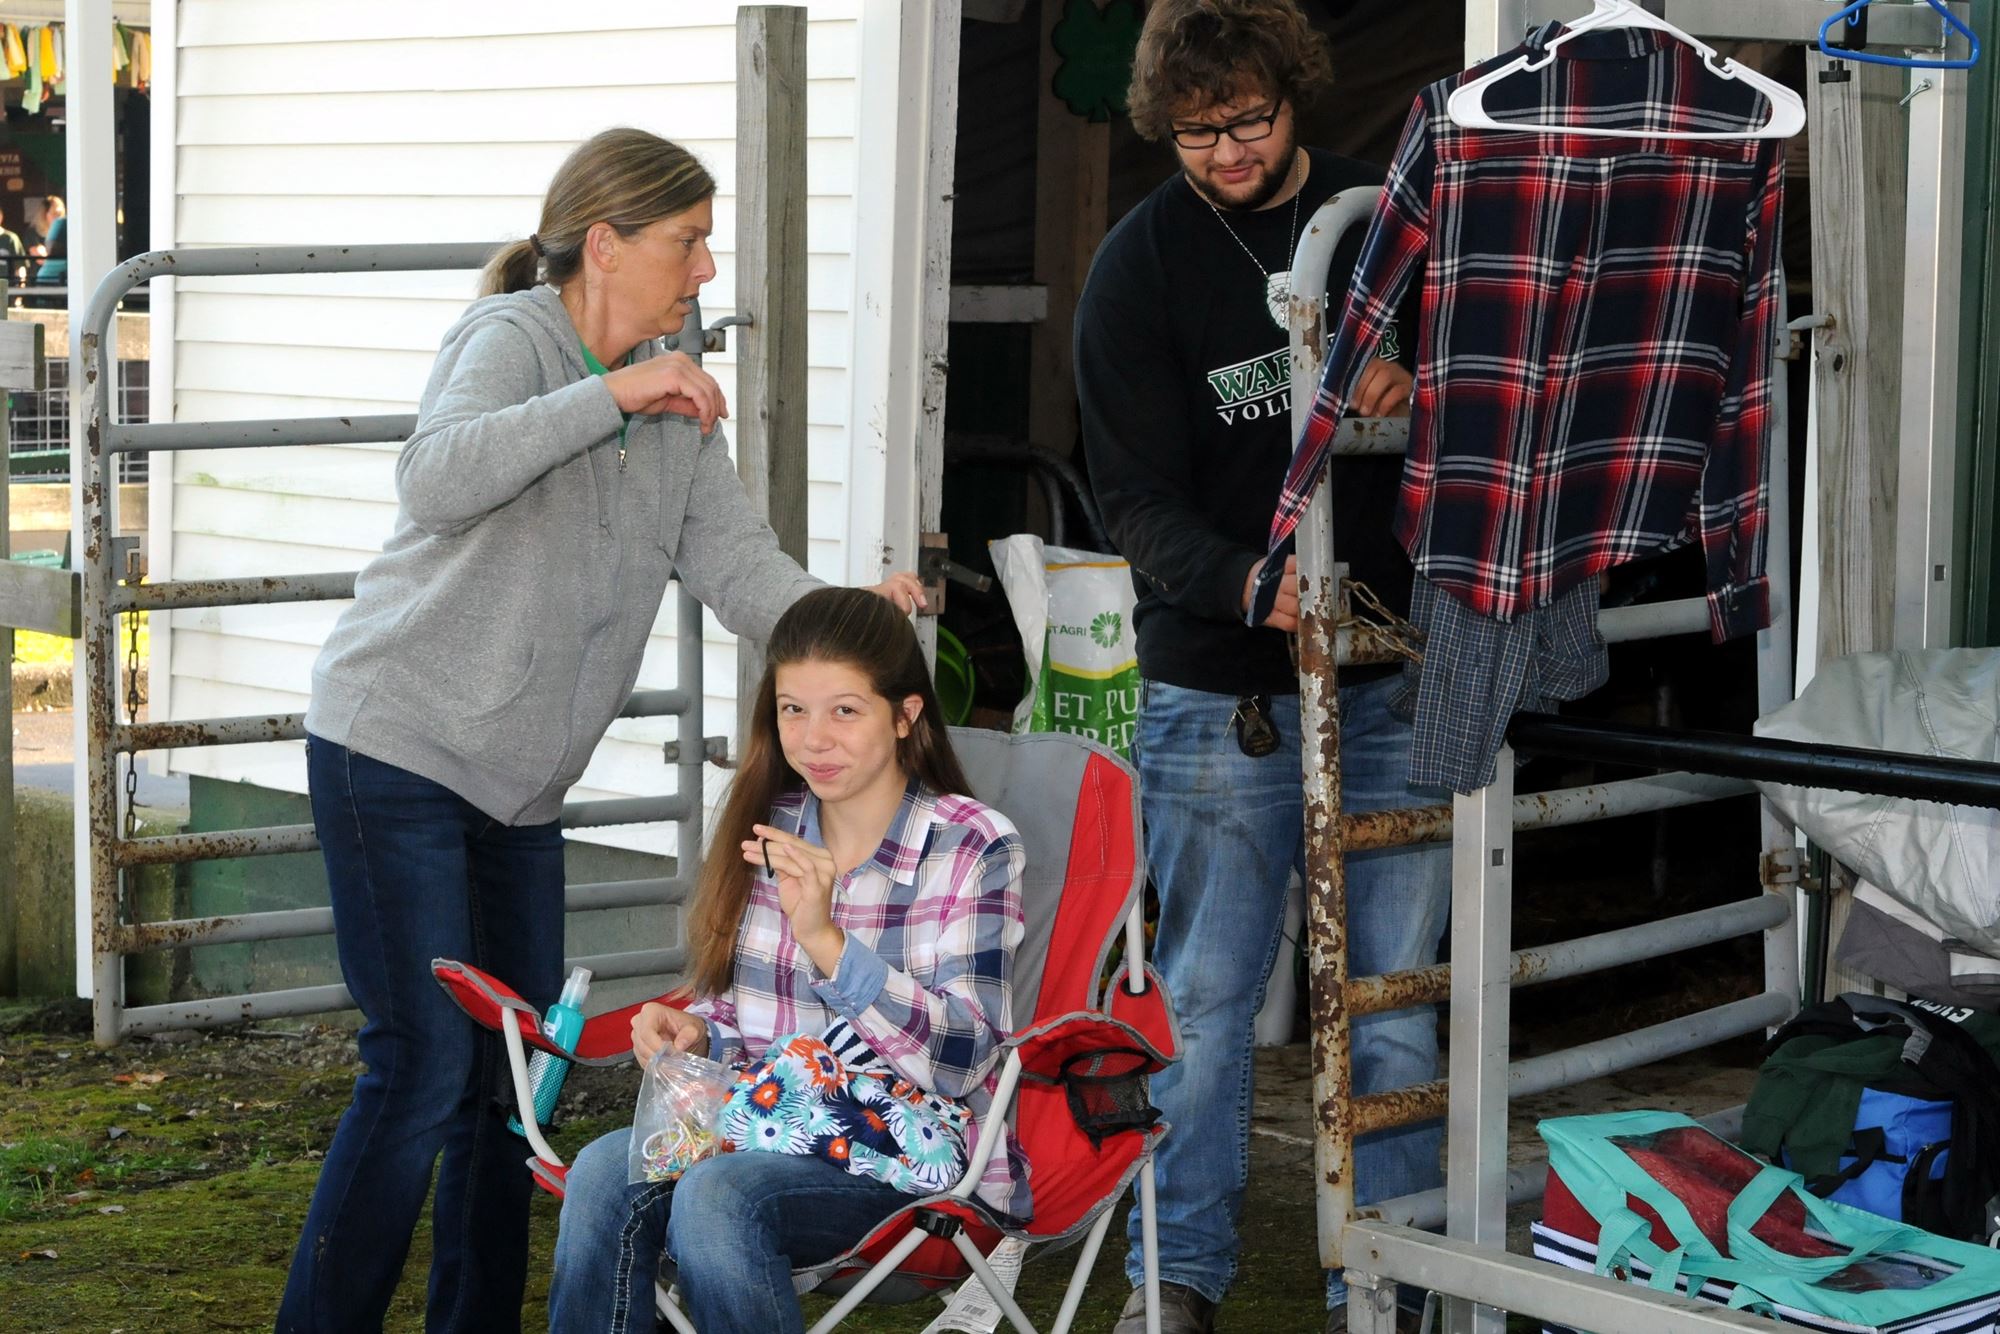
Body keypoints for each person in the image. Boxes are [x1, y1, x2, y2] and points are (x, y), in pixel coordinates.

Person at [276, 129, 924, 1333]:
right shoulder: (511, 338)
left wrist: (848, 621)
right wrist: (613, 391)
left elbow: (739, 568)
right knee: (419, 1064)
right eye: (686, 241)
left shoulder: (678, 401)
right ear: (606, 243)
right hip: (396, 746)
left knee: (512, 1087)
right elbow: (435, 477)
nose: (703, 269)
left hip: (516, 793)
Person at [1072, 4, 1450, 1332]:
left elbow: (1485, 386)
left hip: (1392, 671)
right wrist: (1254, 581)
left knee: (1393, 1000)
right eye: (1195, 127)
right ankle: (1174, 1281)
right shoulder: (1138, 270)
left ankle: (1394, 1272)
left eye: (1248, 118)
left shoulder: (1382, 219)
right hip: (1220, 688)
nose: (1226, 151)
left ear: (1295, 95)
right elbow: (1135, 504)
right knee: (1210, 1004)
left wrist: (1418, 388)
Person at [548, 586, 1029, 1334]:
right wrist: (695, 1033)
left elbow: (967, 1059)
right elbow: (747, 1021)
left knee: (718, 1196)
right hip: (762, 1127)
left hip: (909, 1160)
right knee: (603, 1173)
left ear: (905, 715)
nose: (814, 740)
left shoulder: (972, 846)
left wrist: (830, 943)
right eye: (792, 710)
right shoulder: (768, 828)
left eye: (845, 710)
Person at [28, 194, 64, 288]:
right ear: (44, 214)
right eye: (54, 214)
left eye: (60, 214)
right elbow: (41, 259)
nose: (58, 217)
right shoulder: (32, 233)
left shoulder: (65, 233)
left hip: (61, 281)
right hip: (39, 283)